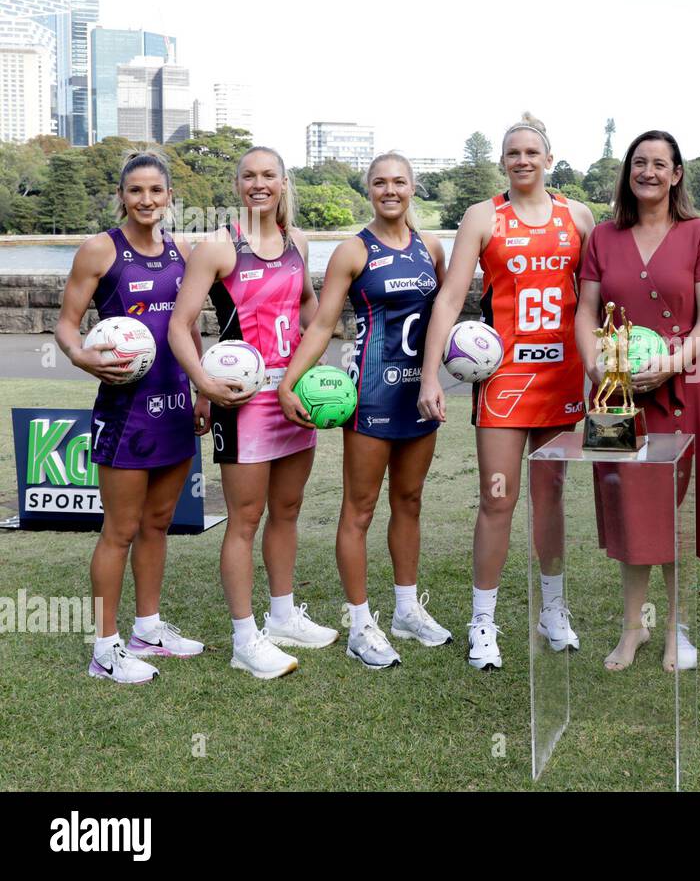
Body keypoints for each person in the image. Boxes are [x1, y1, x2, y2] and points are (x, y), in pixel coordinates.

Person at [419, 114, 594, 670]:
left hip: (563, 378)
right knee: (498, 498)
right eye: (512, 153)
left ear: (549, 159)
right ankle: (483, 621)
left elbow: (596, 298)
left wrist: (607, 371)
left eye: (531, 152)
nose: (522, 160)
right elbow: (449, 300)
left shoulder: (579, 217)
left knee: (551, 498)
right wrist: (431, 375)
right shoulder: (482, 217)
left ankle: (553, 611)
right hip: (505, 382)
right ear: (503, 161)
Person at [170, 146, 336, 680]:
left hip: (294, 395)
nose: (259, 184)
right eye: (249, 176)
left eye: (269, 175)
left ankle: (283, 616)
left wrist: (320, 371)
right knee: (244, 519)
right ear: (237, 184)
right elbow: (180, 325)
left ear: (284, 183)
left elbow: (309, 310)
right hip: (244, 402)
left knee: (287, 509)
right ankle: (246, 638)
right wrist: (205, 386)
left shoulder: (297, 242)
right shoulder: (217, 247)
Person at [280, 152, 451, 669]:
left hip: (419, 395)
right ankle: (360, 623)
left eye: (399, 182)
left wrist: (442, 373)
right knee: (359, 509)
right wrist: (290, 383)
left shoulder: (432, 248)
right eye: (380, 183)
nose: (390, 190)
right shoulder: (353, 251)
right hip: (371, 395)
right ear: (369, 190)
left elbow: (441, 317)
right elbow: (321, 324)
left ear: (413, 187)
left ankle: (405, 611)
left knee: (411, 500)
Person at [575, 130, 700, 671]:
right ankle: (632, 628)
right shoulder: (604, 236)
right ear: (628, 172)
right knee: (628, 507)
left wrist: (668, 364)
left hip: (681, 388)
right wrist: (599, 366)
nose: (649, 172)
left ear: (677, 173)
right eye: (639, 163)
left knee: (675, 511)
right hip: (616, 398)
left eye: (660, 164)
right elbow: (585, 313)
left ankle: (676, 630)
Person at [55, 151, 206, 683]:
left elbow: (189, 327)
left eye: (156, 191)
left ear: (169, 197)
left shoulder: (182, 250)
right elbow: (67, 326)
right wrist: (80, 356)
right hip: (125, 413)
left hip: (175, 405)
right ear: (122, 195)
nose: (146, 200)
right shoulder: (100, 250)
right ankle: (105, 648)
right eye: (135, 191)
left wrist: (203, 391)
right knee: (119, 530)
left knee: (159, 524)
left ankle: (148, 628)